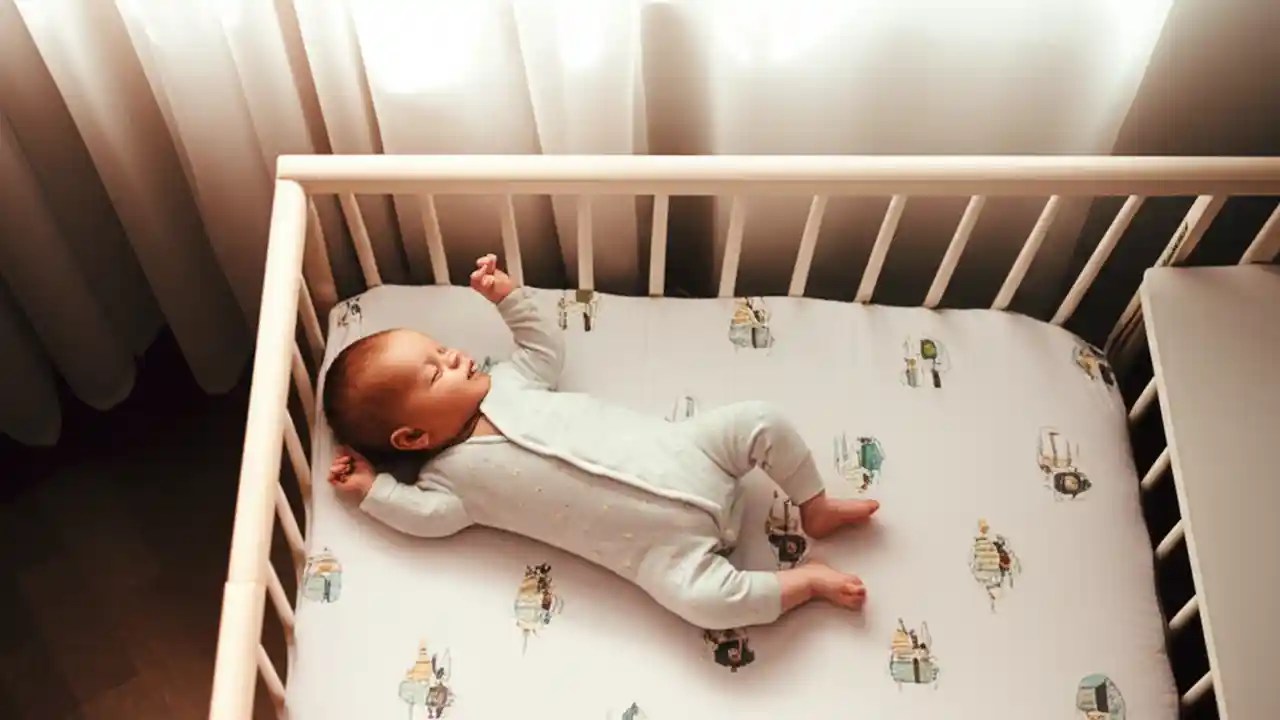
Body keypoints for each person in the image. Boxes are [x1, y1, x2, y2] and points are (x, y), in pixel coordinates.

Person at [323, 254, 879, 630]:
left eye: (442, 348)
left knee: (760, 419)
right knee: (706, 604)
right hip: (661, 551)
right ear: (412, 436)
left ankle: (815, 507)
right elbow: (422, 517)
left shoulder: (510, 380)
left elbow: (544, 350)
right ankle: (804, 583)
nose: (455, 357)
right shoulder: (448, 485)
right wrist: (372, 491)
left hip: (689, 452)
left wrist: (508, 299)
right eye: (435, 371)